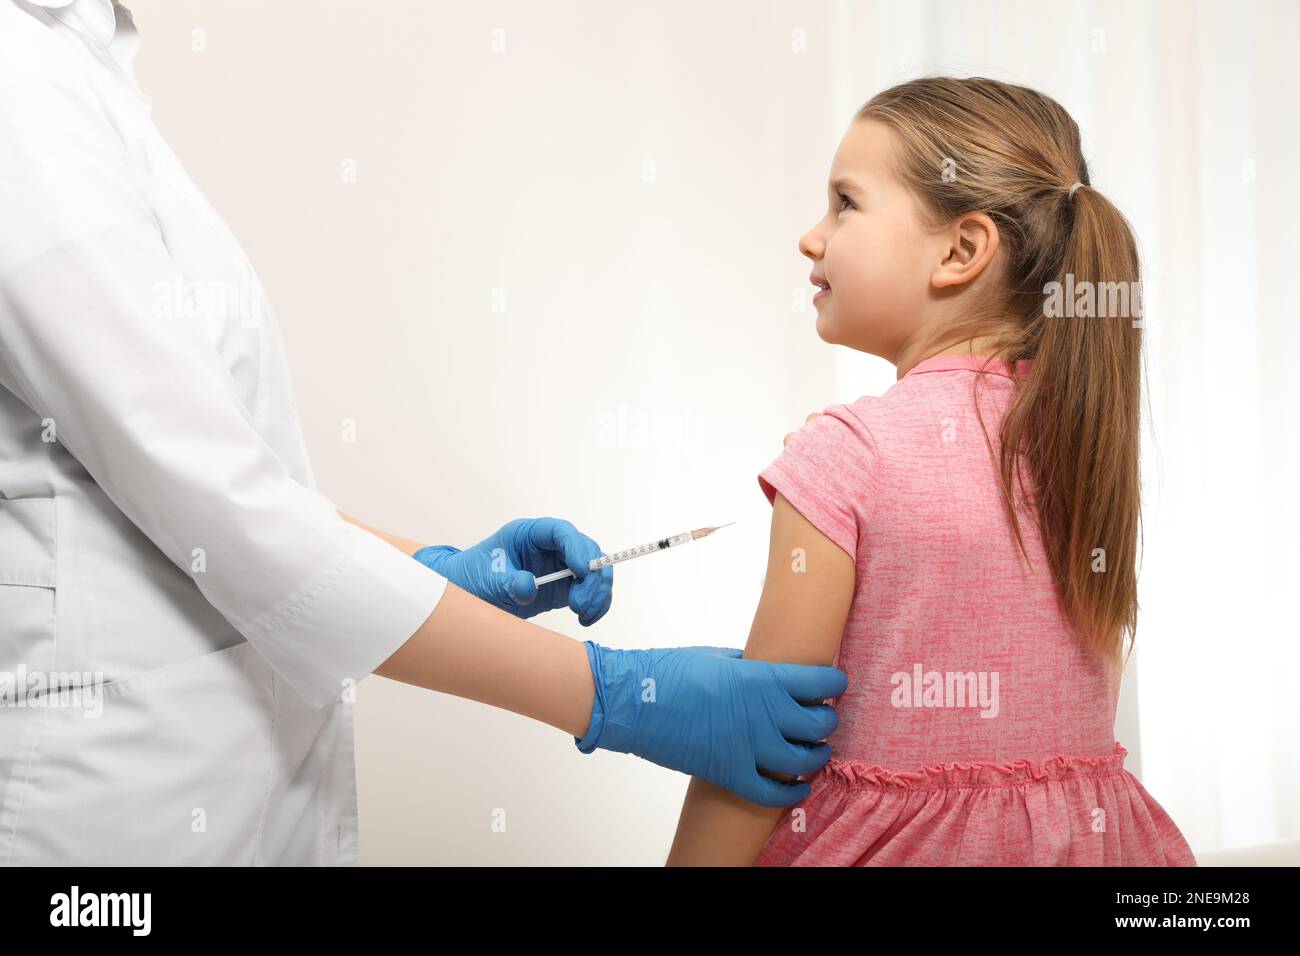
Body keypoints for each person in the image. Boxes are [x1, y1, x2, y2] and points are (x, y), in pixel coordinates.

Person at [0, 0, 845, 866]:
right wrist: (613, 694)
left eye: (849, 203)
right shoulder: (18, 79)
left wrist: (434, 572)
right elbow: (215, 501)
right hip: (111, 797)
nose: (812, 236)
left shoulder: (78, 65)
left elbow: (205, 479)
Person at [667, 77, 1196, 866]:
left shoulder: (846, 456)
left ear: (960, 250)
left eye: (846, 202)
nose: (812, 237)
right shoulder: (1083, 454)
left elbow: (761, 748)